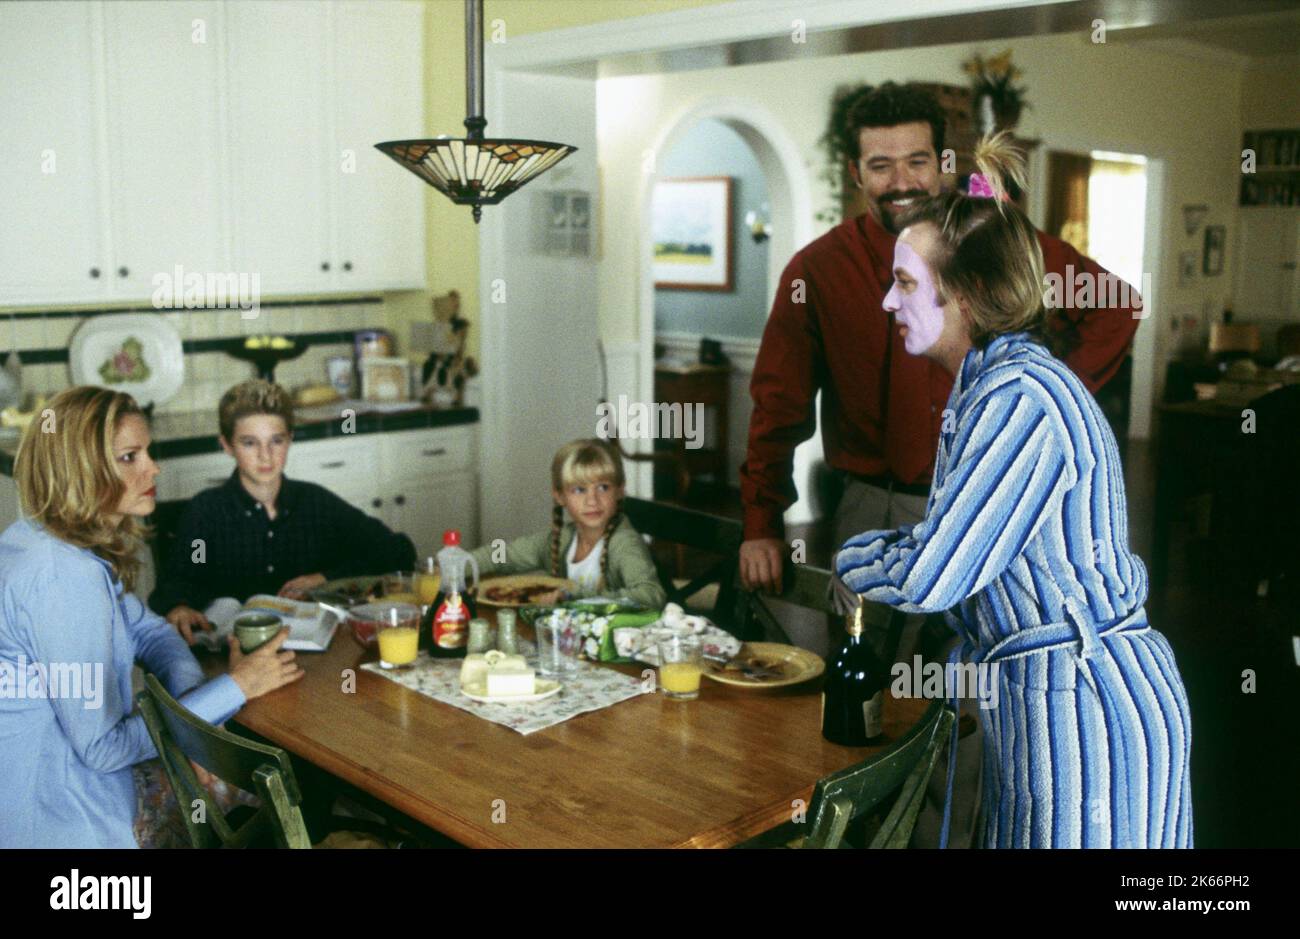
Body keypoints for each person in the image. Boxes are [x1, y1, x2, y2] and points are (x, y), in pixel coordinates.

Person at [835, 135, 1192, 848]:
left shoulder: (1022, 396)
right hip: (1043, 694)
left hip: (1089, 703)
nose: (886, 300)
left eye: (904, 283)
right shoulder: (985, 389)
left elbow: (937, 570)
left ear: (964, 294)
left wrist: (854, 559)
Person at [740, 81, 1141, 593]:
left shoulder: (988, 242)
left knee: (973, 664)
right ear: (855, 173)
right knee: (868, 663)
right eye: (881, 166)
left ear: (943, 163)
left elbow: (1117, 305)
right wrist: (761, 524)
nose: (901, 181)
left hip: (983, 496)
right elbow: (778, 404)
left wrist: (1043, 396)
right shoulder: (815, 271)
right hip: (868, 502)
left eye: (917, 161)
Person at [0, 386, 303, 848]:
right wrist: (235, 689)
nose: (153, 468)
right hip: (64, 818)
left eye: (146, 452)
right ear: (79, 467)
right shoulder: (62, 577)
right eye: (129, 457)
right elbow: (104, 749)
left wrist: (193, 702)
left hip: (55, 786)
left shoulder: (41, 535)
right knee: (265, 786)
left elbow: (150, 629)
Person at [150, 380, 416, 642]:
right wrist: (179, 606)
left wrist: (325, 578)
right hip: (232, 661)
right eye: (249, 443)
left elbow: (396, 551)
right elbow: (181, 576)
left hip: (315, 658)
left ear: (290, 439)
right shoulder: (206, 513)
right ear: (227, 446)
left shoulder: (316, 503)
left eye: (276, 441)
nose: (265, 456)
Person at [469, 439, 666, 609]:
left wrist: (582, 598)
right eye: (579, 490)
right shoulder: (561, 539)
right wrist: (458, 564)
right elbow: (502, 553)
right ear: (560, 496)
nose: (592, 500)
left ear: (620, 490)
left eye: (603, 487)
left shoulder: (624, 543)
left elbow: (651, 594)